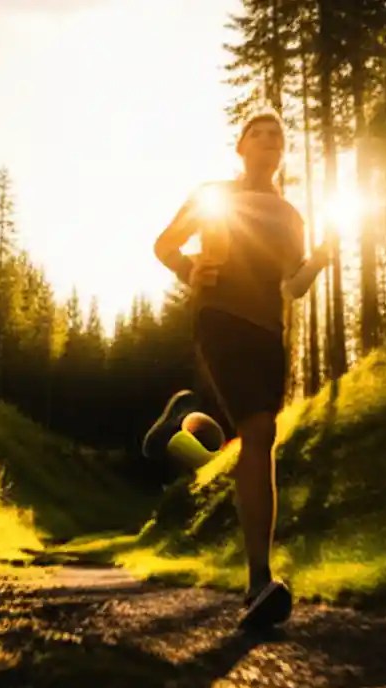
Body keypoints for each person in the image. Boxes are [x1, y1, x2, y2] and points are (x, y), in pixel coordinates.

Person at [143, 109, 331, 629]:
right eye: (259, 133)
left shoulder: (291, 215)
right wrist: (188, 267)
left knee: (259, 439)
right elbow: (165, 244)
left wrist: (319, 259)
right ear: (242, 146)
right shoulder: (214, 195)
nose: (269, 140)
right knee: (259, 426)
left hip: (269, 329)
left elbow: (293, 284)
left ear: (282, 152)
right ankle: (259, 579)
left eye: (277, 135)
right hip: (220, 314)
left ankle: (180, 429)